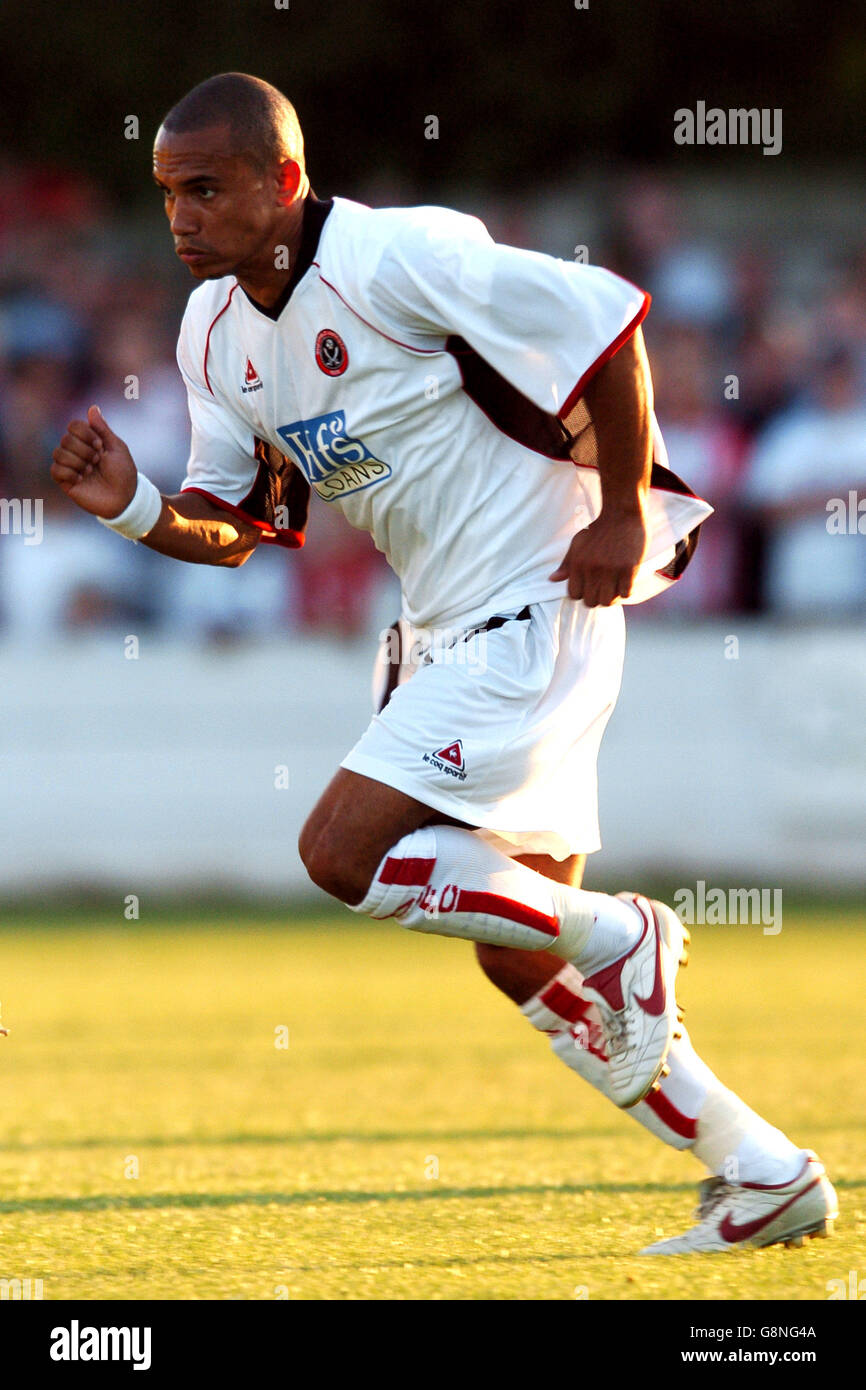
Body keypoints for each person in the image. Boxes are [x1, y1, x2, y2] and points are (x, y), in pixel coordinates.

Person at [51, 73, 835, 1254]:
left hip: (541, 600)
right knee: (516, 958)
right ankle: (760, 1169)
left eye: (205, 188)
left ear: (284, 179)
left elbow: (604, 318)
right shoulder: (211, 333)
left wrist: (623, 511)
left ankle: (620, 936)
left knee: (340, 852)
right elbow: (241, 522)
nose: (180, 217)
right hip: (444, 631)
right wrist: (133, 508)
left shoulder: (393, 257)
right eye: (167, 193)